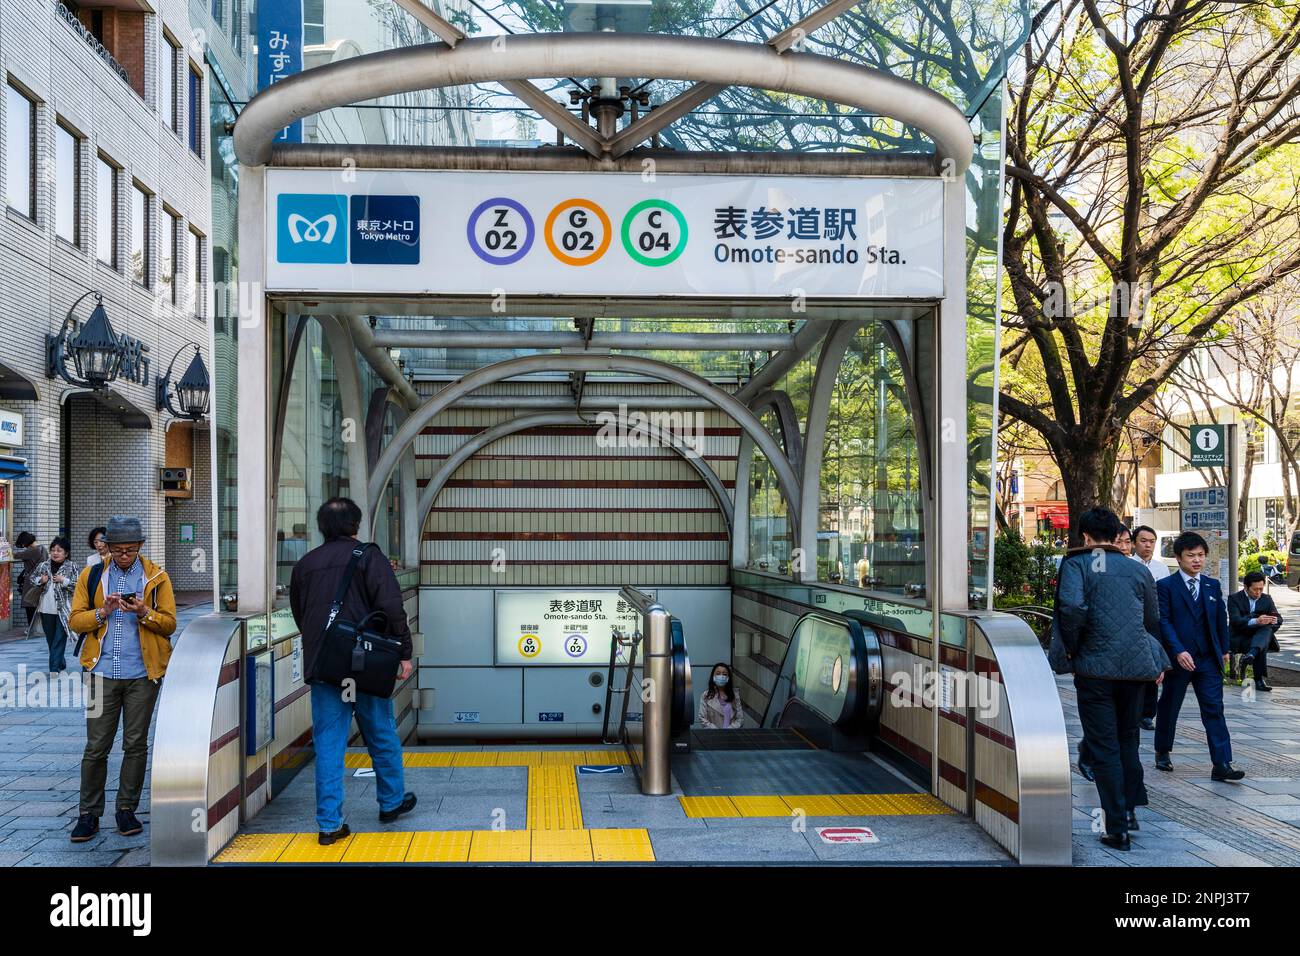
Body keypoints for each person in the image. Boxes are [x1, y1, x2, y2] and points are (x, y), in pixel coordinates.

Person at [289, 497, 416, 845]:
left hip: (327, 668)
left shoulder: (305, 564)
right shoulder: (369, 557)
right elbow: (391, 607)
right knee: (381, 733)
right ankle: (391, 802)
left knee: (329, 744)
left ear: (322, 528)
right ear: (356, 525)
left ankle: (330, 824)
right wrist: (404, 653)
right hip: (366, 665)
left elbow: (302, 616)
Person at [1051, 507, 1168, 851]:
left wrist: (1073, 649)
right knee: (1127, 739)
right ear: (1117, 535)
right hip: (1135, 670)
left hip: (1095, 670)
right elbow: (1151, 619)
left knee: (1103, 746)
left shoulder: (1076, 564)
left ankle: (1116, 828)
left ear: (1084, 536)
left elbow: (1071, 609)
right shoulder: (1136, 569)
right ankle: (1129, 811)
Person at [66, 515, 178, 842]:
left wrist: (145, 613)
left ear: (141, 546)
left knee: (135, 744)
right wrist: (104, 612)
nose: (124, 555)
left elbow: (170, 624)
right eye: (117, 549)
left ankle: (126, 809)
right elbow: (76, 621)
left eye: (129, 549)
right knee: (96, 746)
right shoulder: (93, 575)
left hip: (143, 675)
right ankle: (88, 813)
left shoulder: (156, 576)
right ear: (107, 547)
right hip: (101, 674)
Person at [1154, 531, 1243, 781]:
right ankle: (1162, 750)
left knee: (1214, 709)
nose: (1196, 560)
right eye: (1190, 555)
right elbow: (1165, 622)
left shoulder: (1211, 585)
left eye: (1201, 555)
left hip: (1207, 659)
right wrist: (1177, 650)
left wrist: (1224, 650)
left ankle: (1222, 763)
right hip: (1178, 659)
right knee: (1170, 706)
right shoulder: (1166, 587)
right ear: (1178, 558)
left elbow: (1220, 621)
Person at [1130, 526, 1170, 731]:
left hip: (1155, 624)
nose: (1148, 545)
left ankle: (1147, 714)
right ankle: (1133, 711)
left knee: (1154, 668)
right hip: (1134, 622)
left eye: (1151, 541)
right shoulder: (1128, 566)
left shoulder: (1161, 569)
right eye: (1143, 541)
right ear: (1134, 543)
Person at [29, 537, 79, 672]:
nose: (55, 553)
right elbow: (32, 579)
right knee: (51, 640)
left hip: (64, 610)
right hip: (45, 609)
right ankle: (60, 662)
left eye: (59, 550)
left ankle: (54, 669)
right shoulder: (43, 565)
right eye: (52, 550)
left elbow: (79, 586)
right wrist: (41, 579)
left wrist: (64, 580)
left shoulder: (72, 566)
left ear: (66, 553)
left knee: (59, 639)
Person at [1227, 570, 1281, 693]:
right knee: (1261, 643)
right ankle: (1258, 680)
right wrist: (1256, 621)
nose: (1258, 593)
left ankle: (1251, 654)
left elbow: (1279, 618)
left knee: (1266, 630)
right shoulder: (1234, 598)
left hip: (1258, 637)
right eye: (1255, 589)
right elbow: (1236, 621)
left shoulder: (1266, 599)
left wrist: (1272, 620)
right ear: (1246, 587)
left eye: (1261, 589)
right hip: (1240, 638)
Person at [13, 531, 47, 632]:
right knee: (36, 604)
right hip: (41, 579)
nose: (23, 546)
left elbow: (16, 555)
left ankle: (32, 628)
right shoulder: (42, 548)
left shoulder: (32, 550)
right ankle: (37, 628)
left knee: (29, 604)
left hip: (32, 580)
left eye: (23, 544)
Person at [697, 662, 744, 729]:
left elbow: (740, 719)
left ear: (728, 678)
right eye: (718, 673)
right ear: (713, 677)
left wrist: (729, 730)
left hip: (732, 735)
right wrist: (717, 731)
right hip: (713, 735)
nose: (721, 676)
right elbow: (702, 718)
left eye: (724, 674)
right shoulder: (706, 695)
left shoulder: (735, 695)